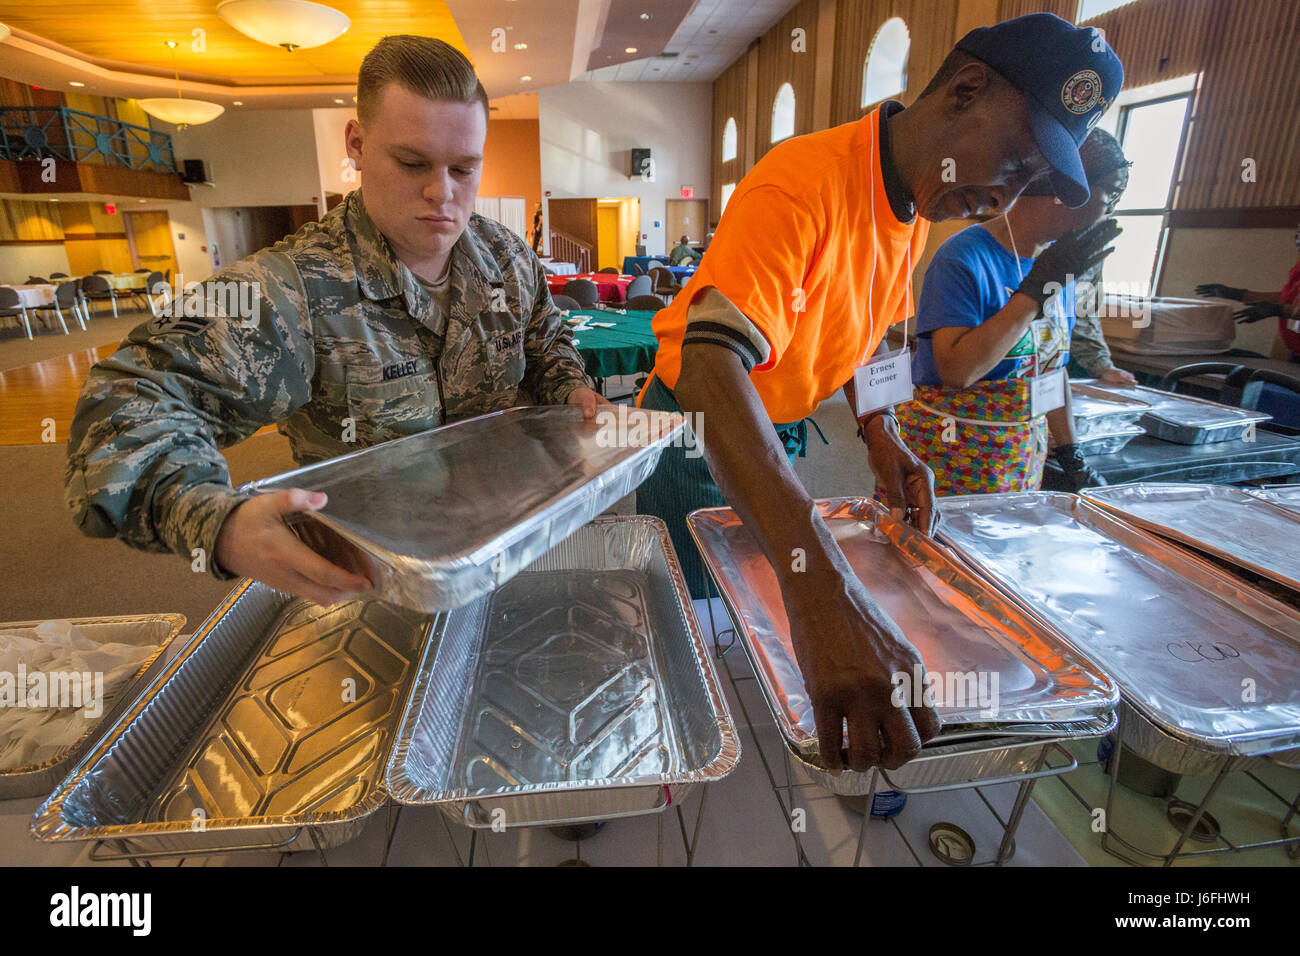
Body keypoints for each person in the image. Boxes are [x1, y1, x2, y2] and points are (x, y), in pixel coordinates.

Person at [636, 13, 1123, 774]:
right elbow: (708, 369)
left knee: (743, 622)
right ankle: (666, 754)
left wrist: (879, 433)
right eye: (1017, 159)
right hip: (697, 429)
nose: (1007, 198)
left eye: (1031, 183)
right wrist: (822, 590)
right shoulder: (801, 181)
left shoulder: (909, 206)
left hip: (774, 426)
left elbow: (869, 342)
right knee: (689, 620)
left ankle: (732, 742)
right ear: (965, 89)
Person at [65, 35, 603, 608]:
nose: (441, 192)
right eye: (412, 162)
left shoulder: (508, 258)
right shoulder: (290, 287)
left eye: (464, 169)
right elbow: (126, 404)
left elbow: (545, 339)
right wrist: (216, 522)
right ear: (358, 144)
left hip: (510, 546)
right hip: (369, 581)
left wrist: (569, 388)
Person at [900, 128, 1129, 495]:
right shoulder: (964, 257)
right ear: (1070, 190)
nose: (1112, 209)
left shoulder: (1059, 265)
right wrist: (1033, 296)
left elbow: (1051, 370)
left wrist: (1072, 456)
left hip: (1020, 457)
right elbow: (959, 370)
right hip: (953, 454)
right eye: (1111, 194)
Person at [1197, 220, 1300, 359]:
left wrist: (1278, 310)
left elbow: (1286, 306)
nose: (1296, 237)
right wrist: (1237, 294)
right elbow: (1287, 297)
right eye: (1297, 232)